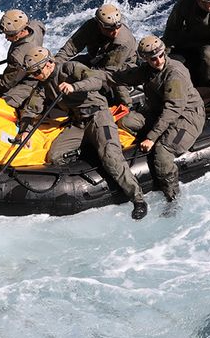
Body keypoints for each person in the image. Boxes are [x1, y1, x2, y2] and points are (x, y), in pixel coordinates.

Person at [12, 47, 147, 220]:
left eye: (38, 71)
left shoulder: (70, 68)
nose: (37, 76)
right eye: (33, 74)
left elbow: (96, 80)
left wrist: (74, 87)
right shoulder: (42, 86)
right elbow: (31, 111)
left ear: (49, 64)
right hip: (78, 123)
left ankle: (138, 199)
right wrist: (25, 131)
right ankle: (91, 149)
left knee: (111, 155)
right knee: (55, 156)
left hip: (98, 116)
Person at [112, 36, 205, 203]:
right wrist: (91, 79)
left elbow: (173, 109)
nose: (159, 61)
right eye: (153, 59)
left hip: (187, 117)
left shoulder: (174, 73)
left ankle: (173, 198)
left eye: (161, 56)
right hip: (160, 113)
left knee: (163, 151)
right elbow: (122, 77)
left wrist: (151, 137)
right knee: (126, 121)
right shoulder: (148, 70)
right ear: (145, 59)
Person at [53, 3, 138, 107]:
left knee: (115, 83)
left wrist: (80, 83)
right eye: (109, 29)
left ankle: (126, 106)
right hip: (97, 60)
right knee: (69, 66)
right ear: (99, 24)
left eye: (118, 27)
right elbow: (71, 47)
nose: (115, 32)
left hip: (119, 67)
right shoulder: (90, 27)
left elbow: (108, 72)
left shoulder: (123, 41)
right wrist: (54, 67)